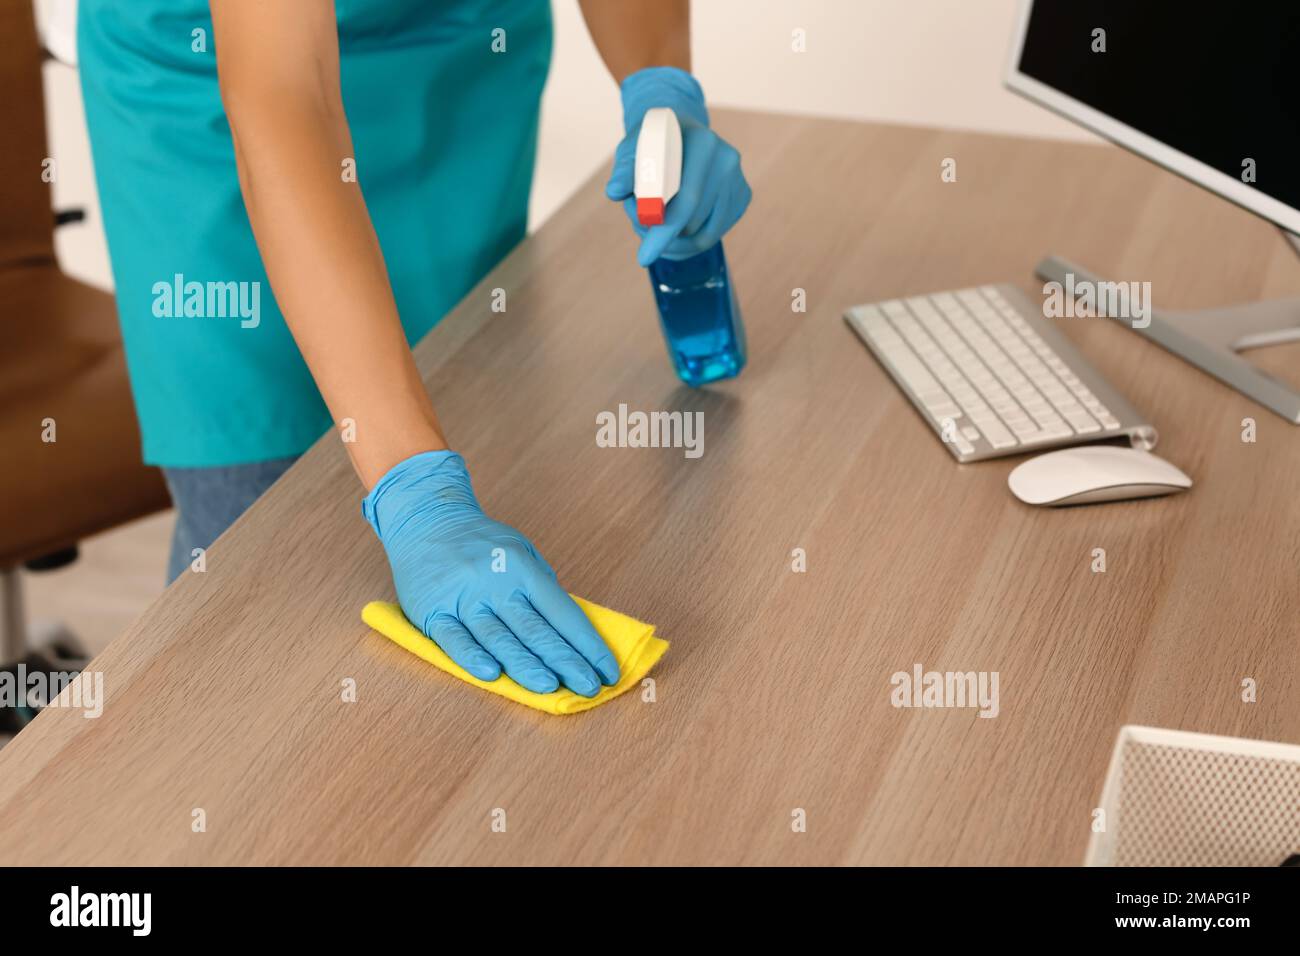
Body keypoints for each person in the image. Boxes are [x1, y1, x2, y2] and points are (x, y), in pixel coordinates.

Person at [78, 0, 750, 697]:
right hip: (222, 97)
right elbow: (289, 91)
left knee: (475, 402)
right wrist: (418, 493)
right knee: (260, 568)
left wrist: (659, 87)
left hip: (453, 74)